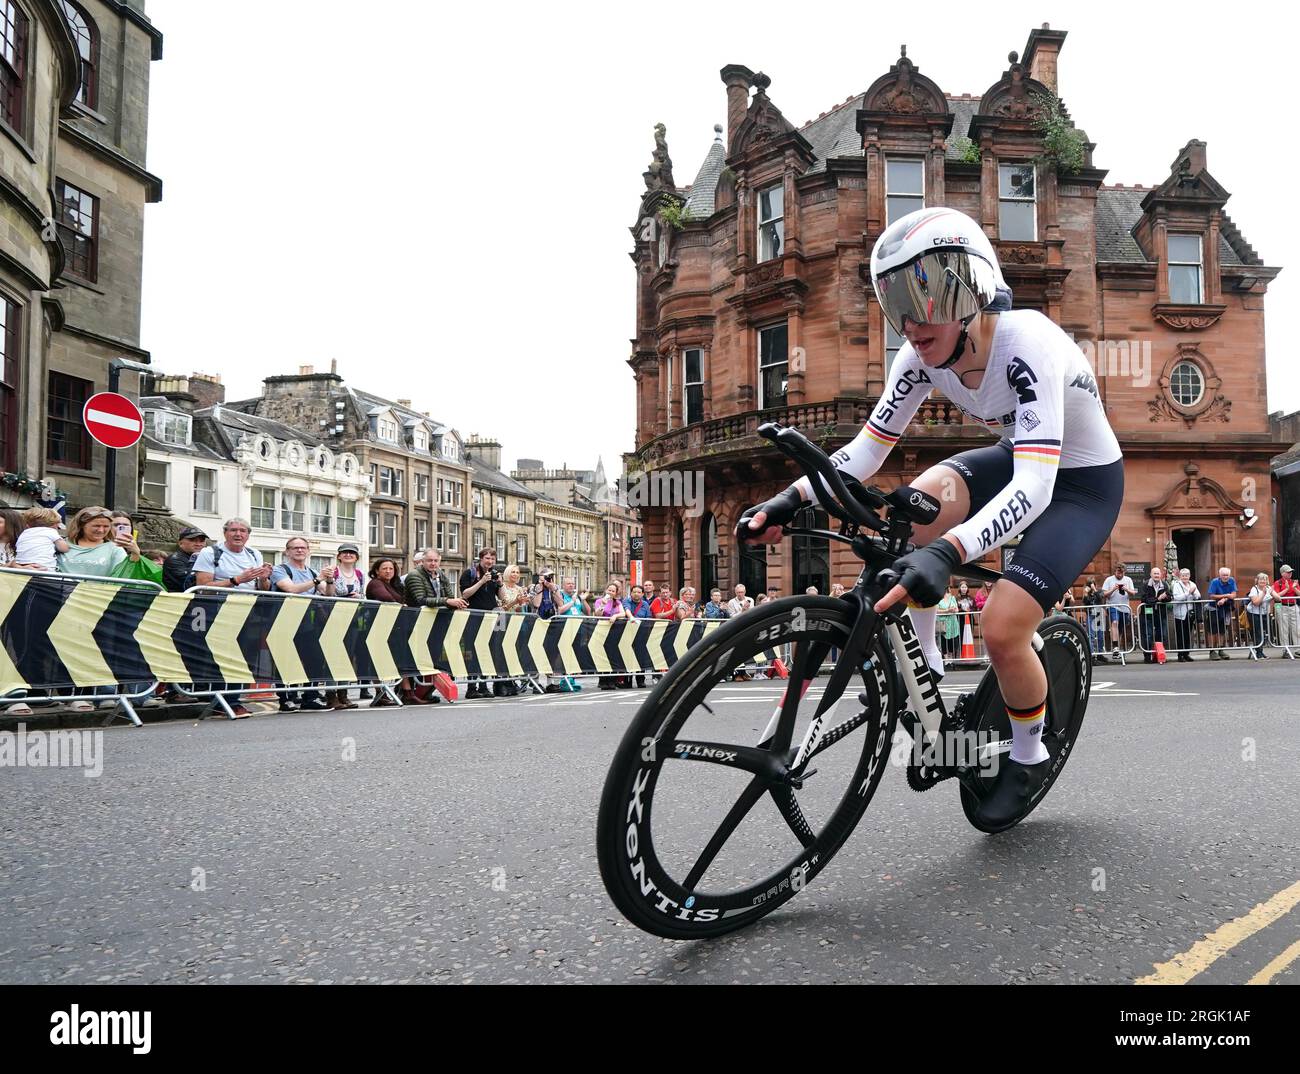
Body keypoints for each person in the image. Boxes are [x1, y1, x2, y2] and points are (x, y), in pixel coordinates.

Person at [737, 207, 1124, 827]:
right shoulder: (917, 358)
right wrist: (790, 499)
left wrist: (950, 554)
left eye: (929, 290)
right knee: (913, 508)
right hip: (1013, 454)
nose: (912, 322)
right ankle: (926, 665)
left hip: (1080, 485)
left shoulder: (1029, 346)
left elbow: (1036, 483)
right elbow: (865, 451)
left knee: (1001, 628)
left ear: (973, 287)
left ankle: (1029, 751)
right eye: (895, 299)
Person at [270, 537, 338, 711]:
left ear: (308, 551)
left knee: (314, 658)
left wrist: (329, 579)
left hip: (307, 620)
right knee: (286, 660)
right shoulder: (280, 569)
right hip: (284, 619)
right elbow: (291, 589)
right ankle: (287, 698)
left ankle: (311, 696)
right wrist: (318, 580)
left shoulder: (312, 572)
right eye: (295, 548)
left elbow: (329, 594)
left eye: (303, 548)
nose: (299, 551)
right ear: (287, 551)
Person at [369, 557, 433, 707]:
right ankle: (380, 693)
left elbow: (408, 600)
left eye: (391, 568)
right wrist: (400, 604)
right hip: (378, 626)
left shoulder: (396, 585)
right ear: (377, 570)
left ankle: (408, 693)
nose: (388, 571)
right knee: (377, 660)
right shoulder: (375, 583)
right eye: (384, 568)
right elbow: (385, 598)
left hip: (395, 627)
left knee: (401, 658)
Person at [593, 582, 631, 690]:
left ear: (615, 593)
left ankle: (612, 681)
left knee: (612, 655)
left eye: (613, 591)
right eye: (609, 590)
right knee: (602, 655)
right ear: (606, 590)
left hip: (614, 631)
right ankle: (603, 681)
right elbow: (597, 614)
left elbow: (623, 613)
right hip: (602, 631)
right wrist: (602, 605)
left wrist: (615, 615)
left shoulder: (617, 602)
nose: (610, 592)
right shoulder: (599, 601)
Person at [1101, 564, 1137, 659]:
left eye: (1121, 573)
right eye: (1118, 572)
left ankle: (1117, 649)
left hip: (1125, 608)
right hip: (1113, 606)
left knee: (1120, 629)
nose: (1119, 575)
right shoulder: (1109, 580)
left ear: (1124, 572)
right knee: (1114, 623)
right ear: (1115, 571)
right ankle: (1116, 647)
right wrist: (1113, 589)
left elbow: (1133, 593)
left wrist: (1126, 589)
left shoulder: (1128, 580)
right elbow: (1104, 594)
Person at [1138, 567, 1171, 663]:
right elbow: (1145, 599)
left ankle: (1158, 655)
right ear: (1151, 575)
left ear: (1160, 575)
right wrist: (1158, 599)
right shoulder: (1145, 585)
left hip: (1160, 613)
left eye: (1158, 573)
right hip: (1147, 613)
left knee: (1161, 634)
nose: (1156, 575)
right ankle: (1147, 656)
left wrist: (1161, 599)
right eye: (1154, 573)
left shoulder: (1164, 584)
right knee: (1148, 635)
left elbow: (1169, 597)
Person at [1170, 568, 1202, 661]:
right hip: (1180, 613)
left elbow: (1198, 596)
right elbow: (1176, 598)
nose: (1185, 577)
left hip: (1190, 613)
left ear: (1189, 576)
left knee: (1188, 634)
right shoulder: (1176, 585)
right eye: (1183, 575)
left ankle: (1186, 653)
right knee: (1181, 634)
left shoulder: (1192, 584)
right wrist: (1188, 593)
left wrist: (1194, 594)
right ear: (1180, 576)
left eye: (1187, 575)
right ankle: (1180, 655)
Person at [1206, 567, 1237, 660]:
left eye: (1227, 575)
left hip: (1225, 608)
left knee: (1223, 630)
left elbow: (1234, 594)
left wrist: (1224, 599)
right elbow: (1212, 596)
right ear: (1219, 575)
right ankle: (1212, 651)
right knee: (1212, 630)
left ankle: (1221, 649)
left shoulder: (1232, 581)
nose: (1225, 577)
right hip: (1213, 608)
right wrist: (1226, 595)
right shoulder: (1214, 582)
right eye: (1223, 575)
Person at [1271, 565, 1299, 659]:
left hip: (1293, 606)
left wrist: (1295, 588)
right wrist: (1286, 589)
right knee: (1284, 630)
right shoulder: (1278, 583)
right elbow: (1276, 596)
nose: (1290, 573)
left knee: (1297, 629)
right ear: (1282, 573)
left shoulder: (1294, 582)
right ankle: (1285, 650)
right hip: (1281, 606)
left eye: (1290, 571)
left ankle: (1297, 649)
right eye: (1288, 572)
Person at [1245, 572, 1273, 659]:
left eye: (1264, 579)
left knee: (1264, 632)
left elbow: (1278, 598)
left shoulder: (1269, 588)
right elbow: (1256, 602)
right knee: (1257, 632)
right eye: (1261, 579)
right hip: (1254, 613)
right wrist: (1263, 593)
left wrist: (1273, 592)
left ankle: (1260, 651)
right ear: (1257, 580)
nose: (1263, 581)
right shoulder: (1254, 589)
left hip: (1264, 613)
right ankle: (1259, 653)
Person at [936, 587, 960, 659]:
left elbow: (957, 610)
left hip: (953, 622)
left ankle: (952, 659)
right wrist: (947, 611)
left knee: (953, 641)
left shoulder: (952, 598)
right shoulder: (937, 597)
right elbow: (936, 610)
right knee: (943, 641)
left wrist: (953, 610)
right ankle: (946, 659)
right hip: (943, 622)